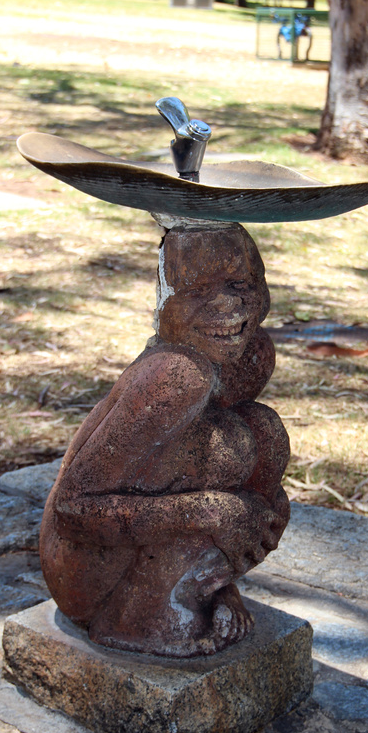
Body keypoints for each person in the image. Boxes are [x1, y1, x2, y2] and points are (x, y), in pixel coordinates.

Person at [40, 223, 290, 657]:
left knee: (263, 435)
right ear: (167, 301)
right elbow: (72, 510)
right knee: (234, 481)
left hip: (151, 537)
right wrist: (207, 512)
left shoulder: (251, 354)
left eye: (242, 284)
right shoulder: (174, 374)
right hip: (86, 571)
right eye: (199, 291)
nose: (230, 304)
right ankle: (135, 618)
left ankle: (202, 586)